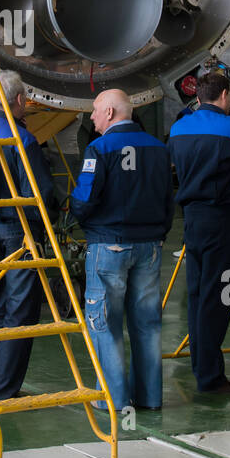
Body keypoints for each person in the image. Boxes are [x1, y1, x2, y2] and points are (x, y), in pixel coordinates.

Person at [70, 88, 173, 412]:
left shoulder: (99, 149)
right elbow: (168, 199)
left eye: (95, 110)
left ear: (110, 113)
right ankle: (149, 397)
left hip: (109, 245)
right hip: (150, 245)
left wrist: (79, 215)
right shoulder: (159, 149)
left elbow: (84, 199)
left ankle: (113, 400)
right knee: (147, 324)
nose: (92, 117)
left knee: (105, 322)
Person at [0, 70, 58, 401]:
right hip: (18, 233)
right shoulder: (23, 140)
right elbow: (40, 192)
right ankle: (3, 389)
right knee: (20, 311)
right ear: (19, 100)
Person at [168, 72, 230, 395]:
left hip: (192, 220)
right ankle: (211, 378)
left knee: (197, 296)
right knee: (219, 297)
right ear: (224, 96)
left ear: (198, 97)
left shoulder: (178, 128)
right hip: (223, 220)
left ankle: (202, 369)